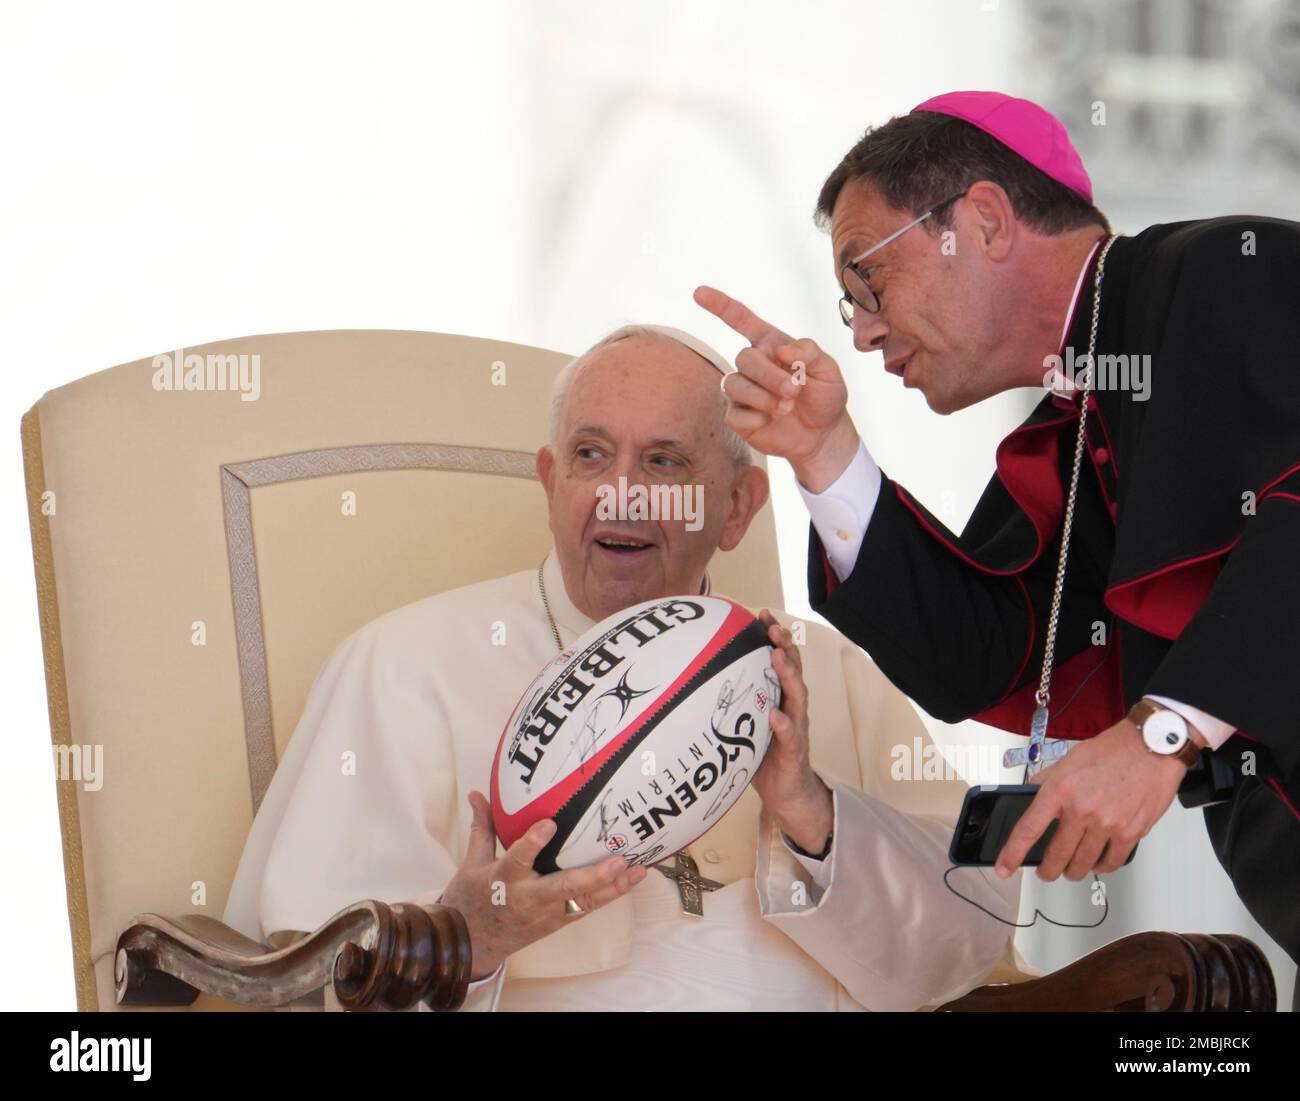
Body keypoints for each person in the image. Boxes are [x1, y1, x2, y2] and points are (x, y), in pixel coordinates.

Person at [695, 90, 1300, 1006]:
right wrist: (824, 453)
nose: (862, 332)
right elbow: (982, 652)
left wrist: (1162, 733)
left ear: (981, 220)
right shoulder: (1083, 407)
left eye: (870, 283)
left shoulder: (1224, 274)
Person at [222, 322, 1025, 1011]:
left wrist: (812, 814)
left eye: (666, 462)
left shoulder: (827, 671)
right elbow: (297, 979)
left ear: (738, 507)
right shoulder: (400, 666)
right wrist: (465, 938)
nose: (621, 496)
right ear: (550, 480)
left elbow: (972, 937)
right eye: (590, 455)